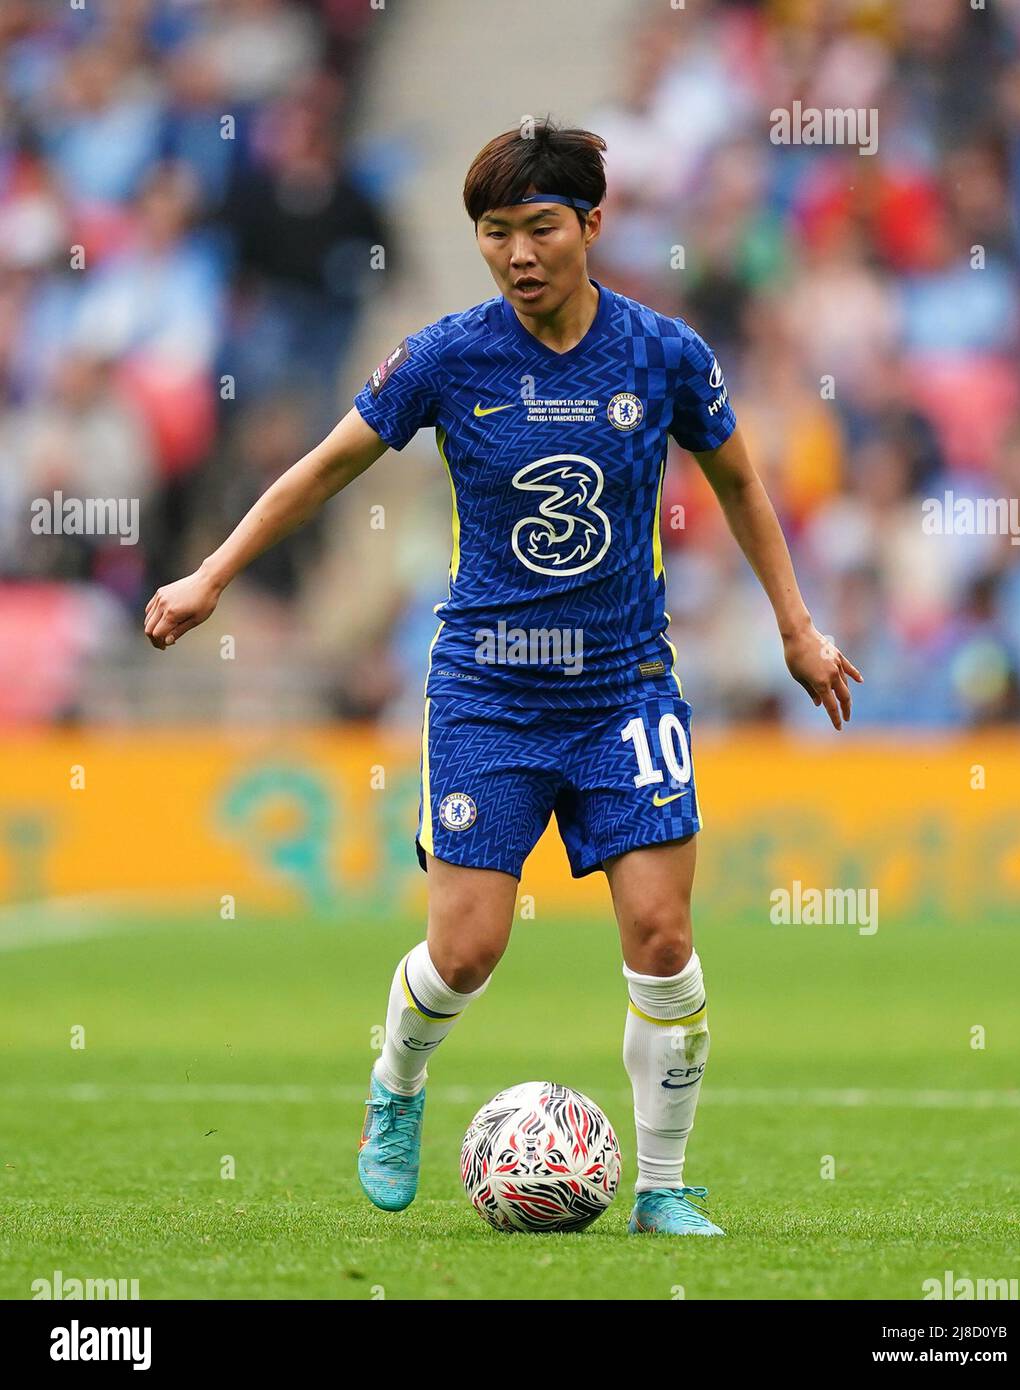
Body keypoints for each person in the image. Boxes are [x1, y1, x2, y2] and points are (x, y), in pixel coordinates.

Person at [144, 119, 862, 1237]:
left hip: (626, 686)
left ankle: (664, 1186)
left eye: (539, 228)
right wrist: (211, 575)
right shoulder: (446, 357)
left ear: (591, 224)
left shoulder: (661, 354)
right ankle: (396, 1085)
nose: (518, 254)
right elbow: (326, 465)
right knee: (468, 947)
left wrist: (796, 628)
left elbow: (741, 484)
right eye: (494, 233)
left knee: (664, 940)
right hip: (487, 688)